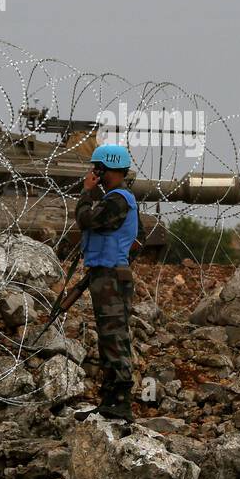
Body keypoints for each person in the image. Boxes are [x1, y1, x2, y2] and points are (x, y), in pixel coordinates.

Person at [75, 144, 139, 420]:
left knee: (114, 338)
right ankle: (110, 400)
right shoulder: (116, 198)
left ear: (106, 170)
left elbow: (87, 220)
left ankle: (121, 401)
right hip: (106, 273)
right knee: (108, 338)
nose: (92, 172)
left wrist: (86, 192)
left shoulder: (118, 200)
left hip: (111, 276)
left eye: (96, 168)